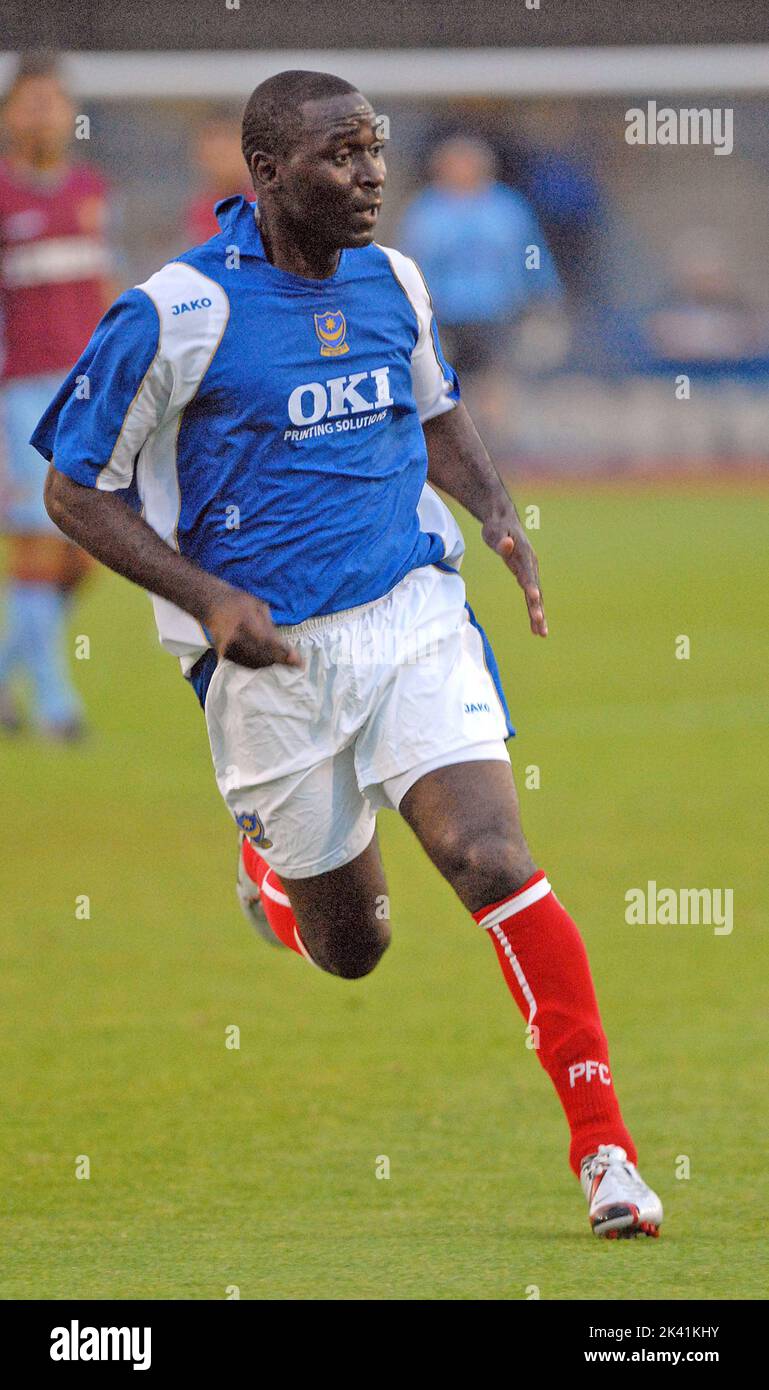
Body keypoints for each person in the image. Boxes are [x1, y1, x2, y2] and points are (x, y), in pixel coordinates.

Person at [34, 70, 662, 1238]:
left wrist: (498, 511)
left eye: (375, 151)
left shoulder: (395, 278)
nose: (371, 175)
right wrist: (209, 594)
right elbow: (76, 490)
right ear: (266, 175)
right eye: (340, 156)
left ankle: (606, 1151)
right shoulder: (174, 313)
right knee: (355, 947)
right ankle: (274, 875)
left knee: (488, 854)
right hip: (269, 664)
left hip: (409, 614)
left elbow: (434, 412)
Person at [0, 52, 113, 737]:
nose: (47, 115)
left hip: (87, 393)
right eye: (34, 102)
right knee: (37, 547)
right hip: (20, 396)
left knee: (87, 550)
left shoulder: (90, 191)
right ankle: (54, 706)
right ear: (12, 114)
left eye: (56, 102)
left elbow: (101, 291)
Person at [398, 135, 561, 377]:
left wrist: (544, 296)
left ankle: (492, 413)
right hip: (444, 313)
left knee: (492, 376)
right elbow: (410, 260)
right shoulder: (425, 211)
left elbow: (531, 254)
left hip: (496, 310)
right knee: (444, 378)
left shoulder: (507, 208)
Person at [184, 109, 254, 245]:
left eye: (229, 139)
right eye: (213, 139)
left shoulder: (264, 208)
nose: (221, 151)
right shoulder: (194, 216)